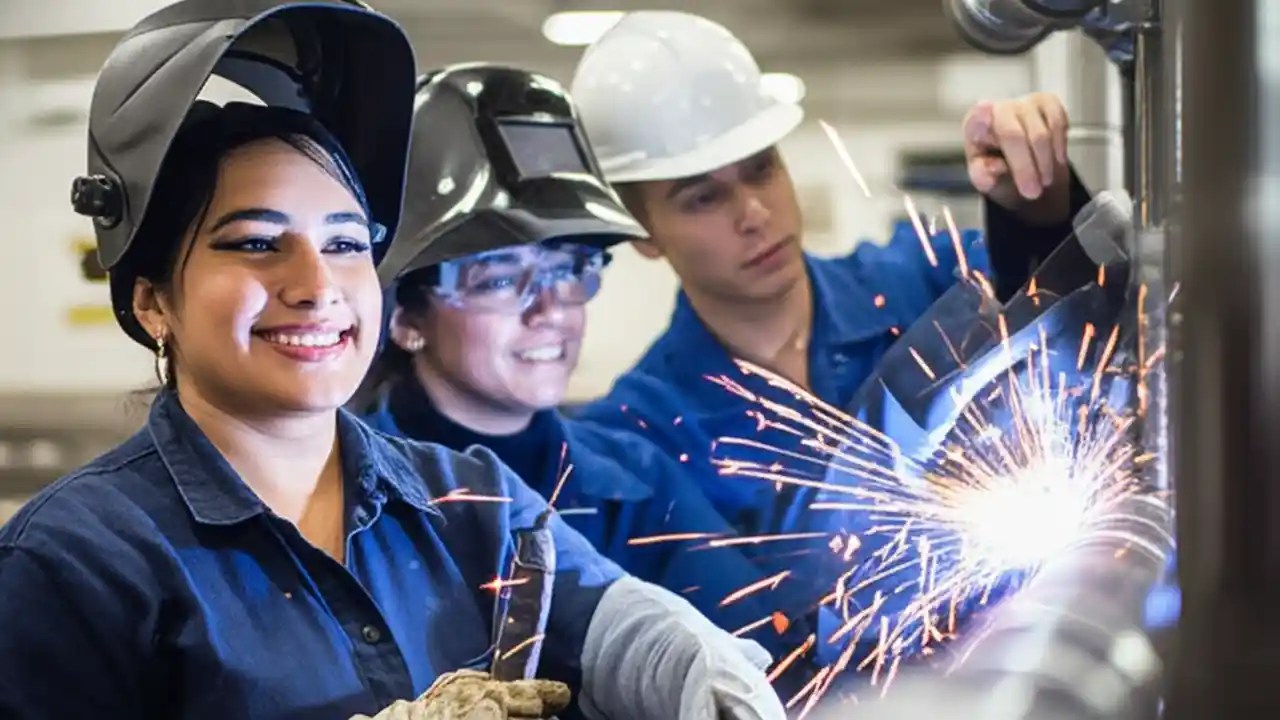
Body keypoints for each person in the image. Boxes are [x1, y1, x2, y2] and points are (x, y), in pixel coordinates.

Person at [0, 4, 788, 720]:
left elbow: (613, 626)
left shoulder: (471, 500)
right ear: (152, 302)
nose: (315, 286)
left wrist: (703, 672)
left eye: (344, 243)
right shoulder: (75, 564)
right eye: (255, 243)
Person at [567, 11, 1096, 668]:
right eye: (703, 198)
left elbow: (1080, 323)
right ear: (641, 230)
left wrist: (1035, 206)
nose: (754, 215)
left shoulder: (924, 282)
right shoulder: (640, 439)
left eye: (761, 170)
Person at [358, 64, 812, 674]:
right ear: (402, 315)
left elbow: (775, 651)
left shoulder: (637, 482)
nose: (550, 310)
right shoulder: (346, 503)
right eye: (497, 279)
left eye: (567, 269)